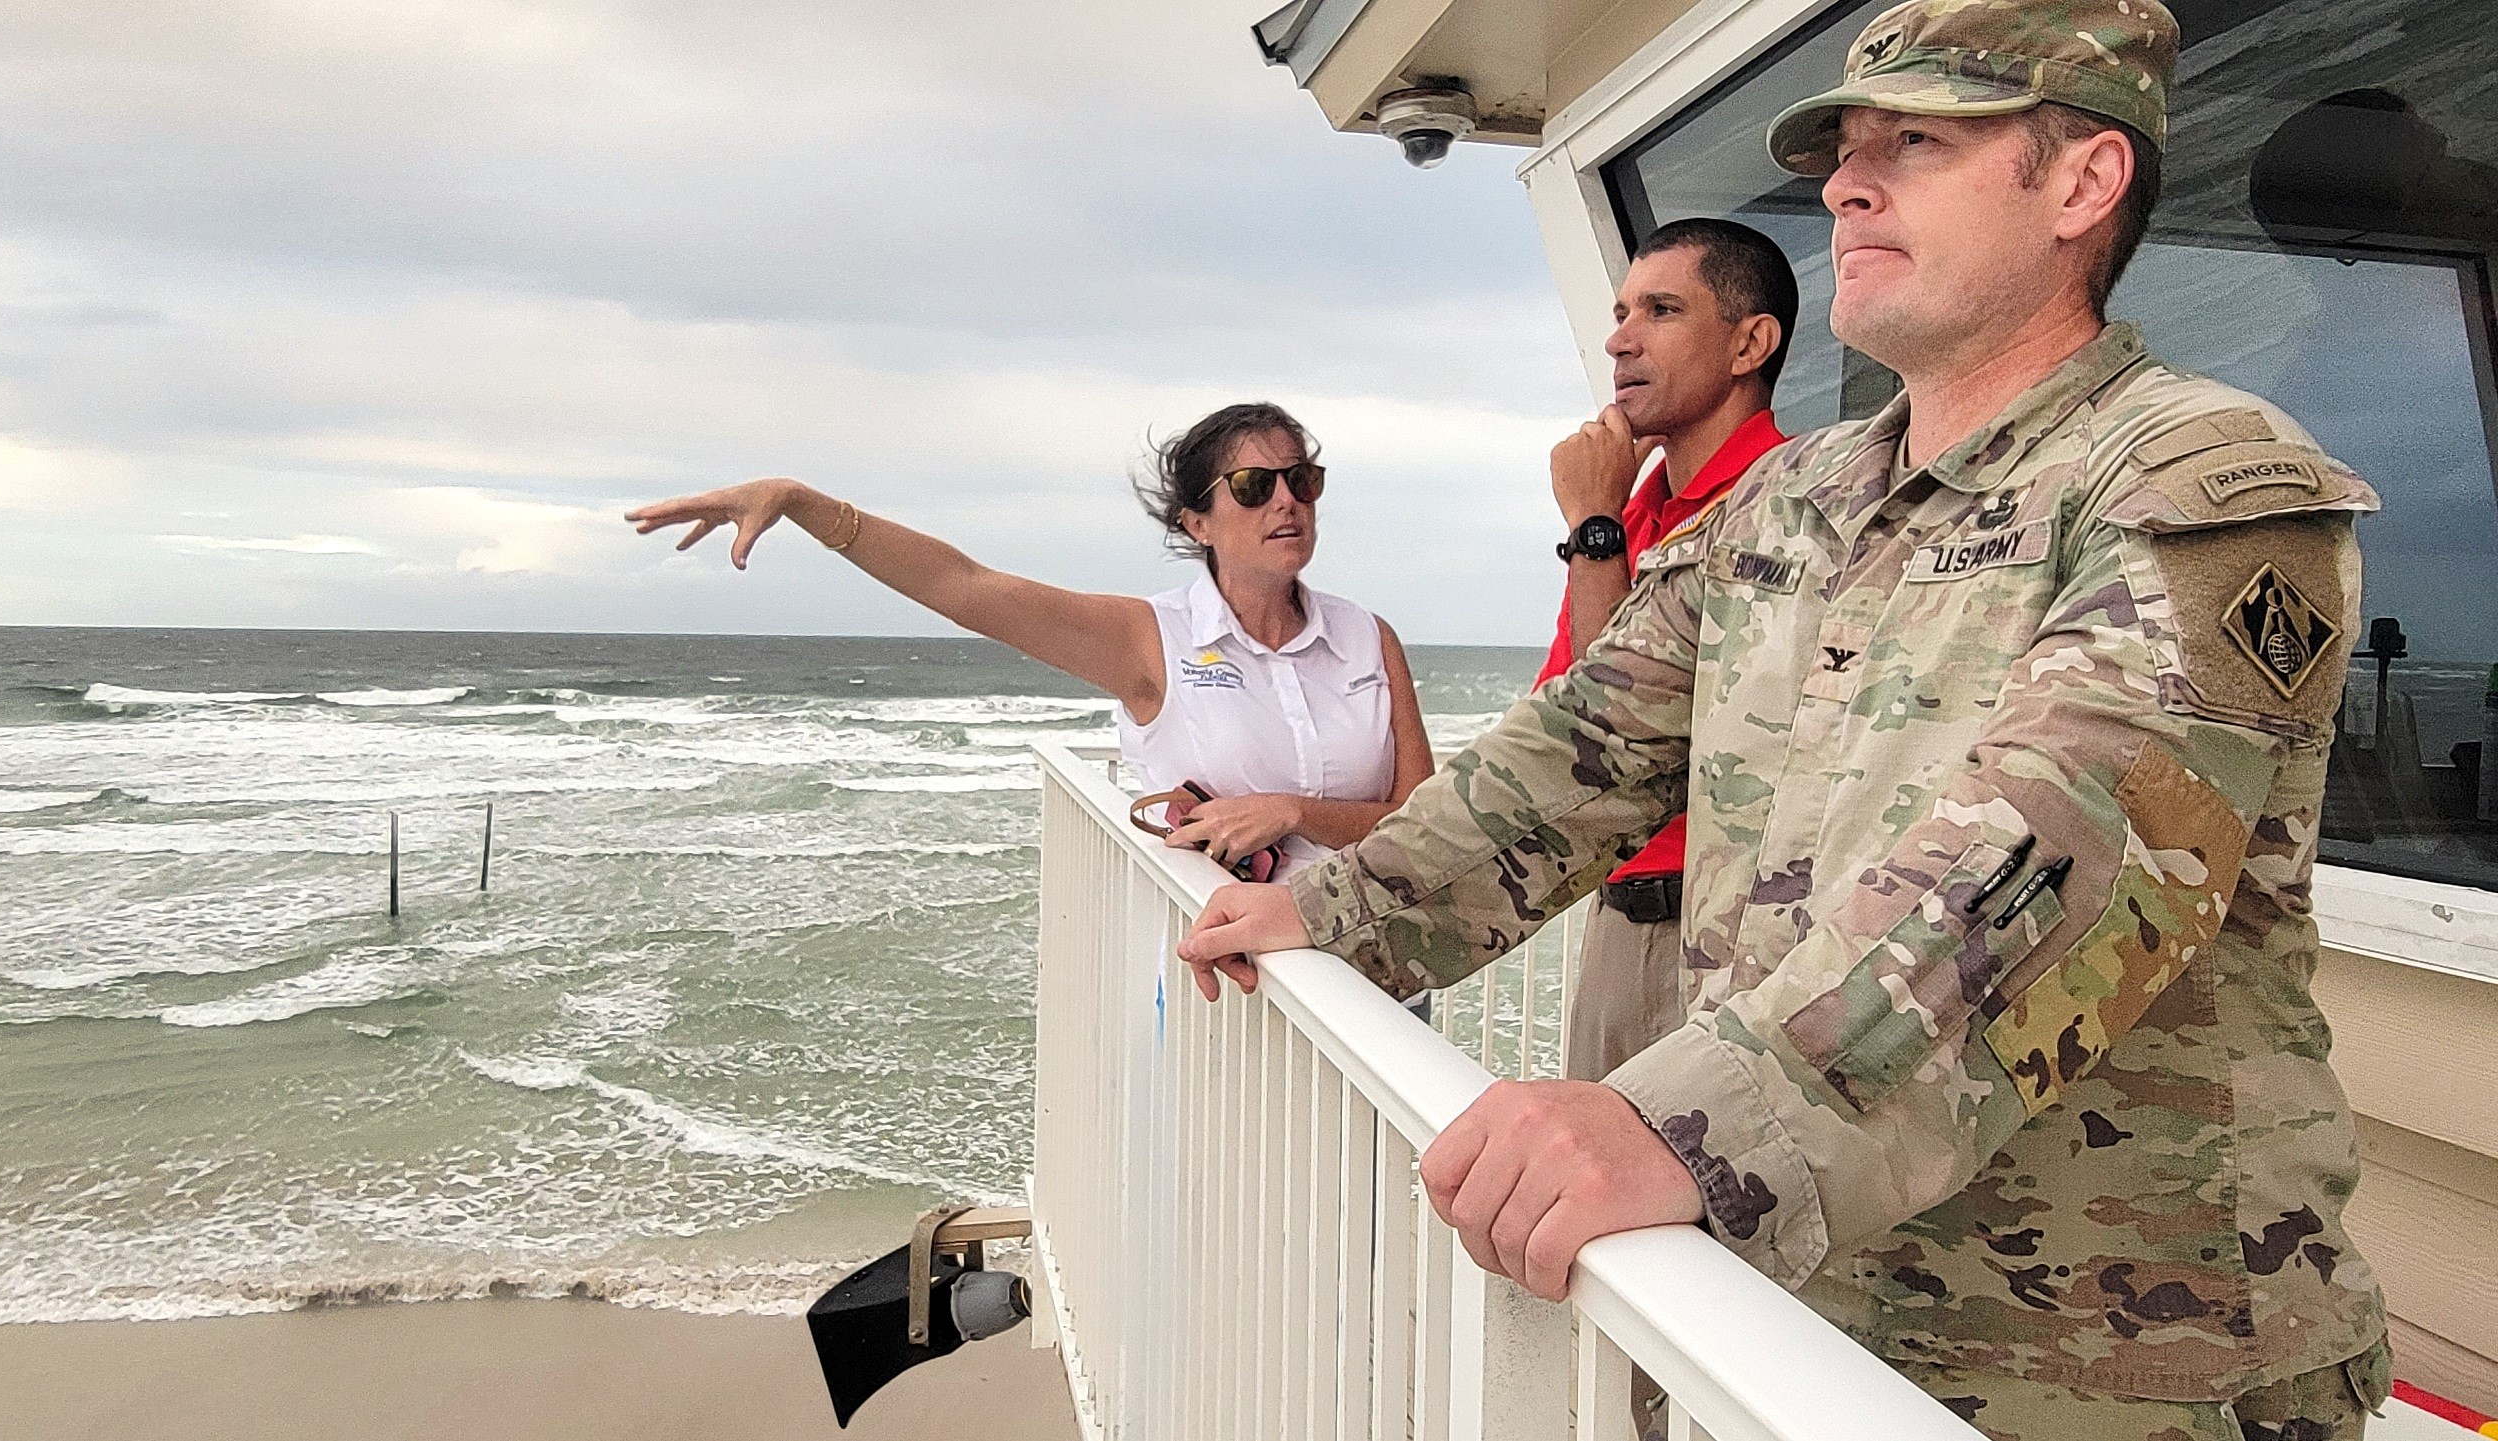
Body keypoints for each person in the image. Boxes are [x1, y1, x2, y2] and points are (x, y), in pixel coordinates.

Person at [1180, 1, 2392, 1436]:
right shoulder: (1793, 497)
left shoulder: (2196, 475)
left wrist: (1683, 1122)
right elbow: (1586, 750)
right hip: (1794, 1303)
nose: (1843, 185)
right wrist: (1343, 911)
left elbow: (2072, 855)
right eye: (1843, 150)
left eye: (1917, 144)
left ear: (2080, 184)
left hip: (2100, 1359)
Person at [623, 402, 1436, 874]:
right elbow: (968, 589)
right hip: (1229, 991)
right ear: (1197, 521)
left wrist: (1291, 812)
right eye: (1256, 486)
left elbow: (1422, 822)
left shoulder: (1368, 639)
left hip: (1377, 986)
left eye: (1304, 480)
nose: (1287, 502)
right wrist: (808, 505)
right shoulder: (1152, 637)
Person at [1540, 217, 1796, 1088]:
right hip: (1622, 918)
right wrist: (1604, 527)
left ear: (1748, 343)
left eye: (1660, 309)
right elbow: (1566, 718)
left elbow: (1631, 737)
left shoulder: (1789, 503)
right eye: (1619, 311)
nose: (1620, 339)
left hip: (1725, 926)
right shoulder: (1636, 511)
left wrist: (1592, 528)